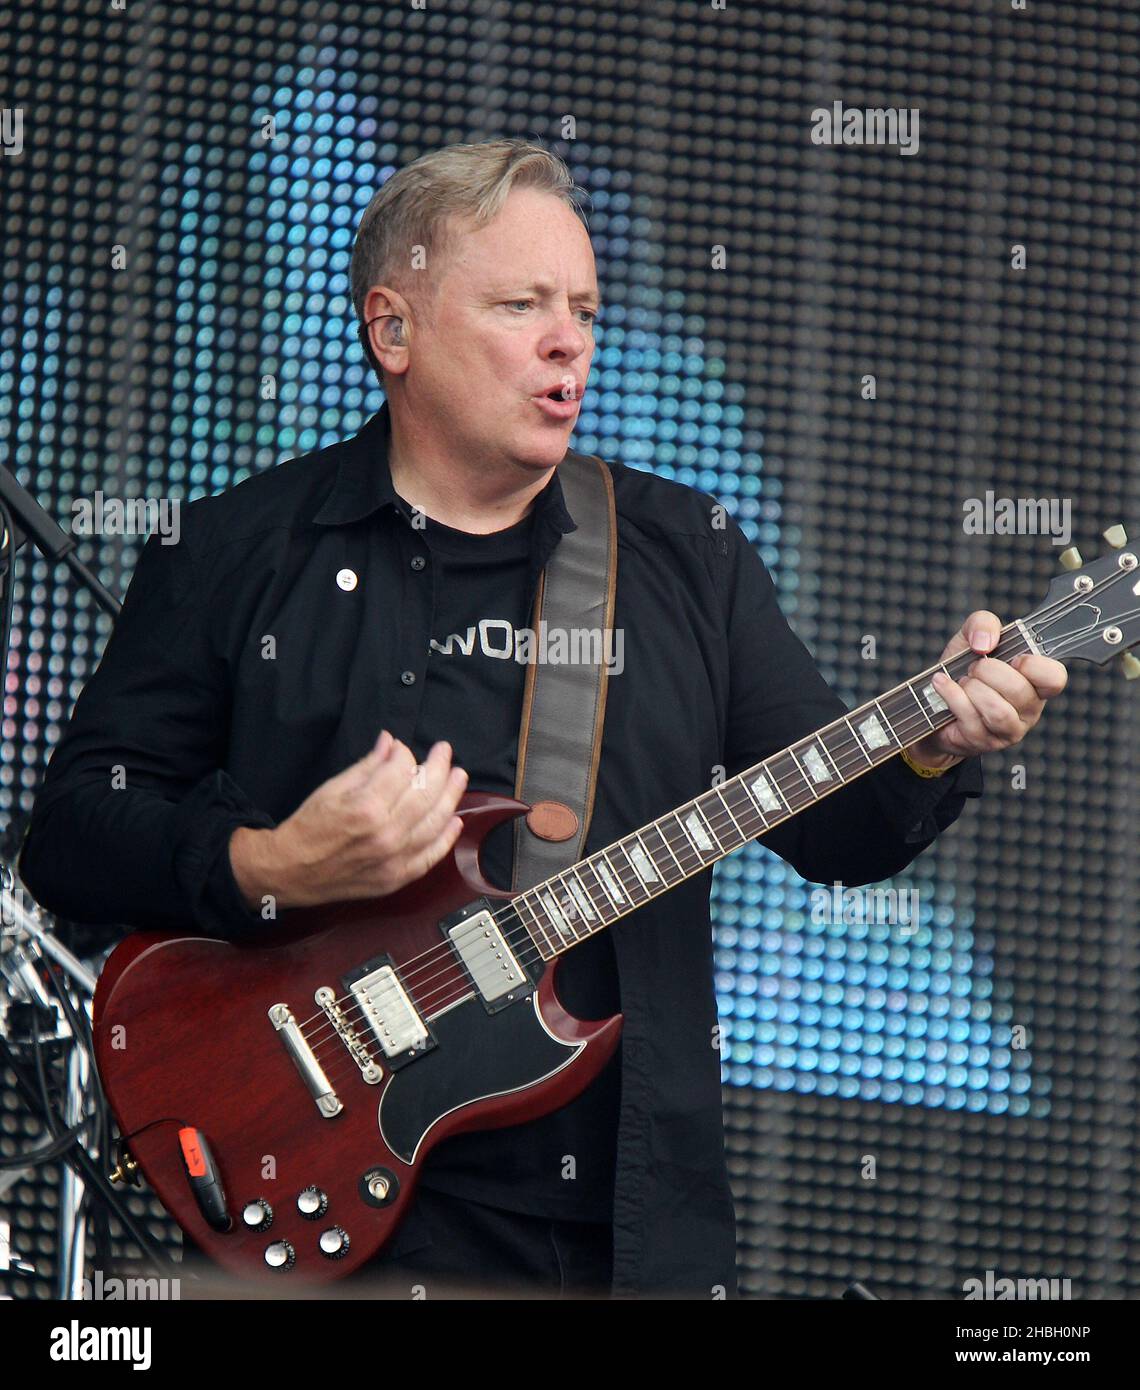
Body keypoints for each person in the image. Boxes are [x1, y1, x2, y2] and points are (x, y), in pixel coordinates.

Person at [17, 138, 1068, 1300]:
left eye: (585, 307)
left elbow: (838, 833)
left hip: (619, 1231)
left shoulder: (684, 556)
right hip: (316, 1208)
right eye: (522, 304)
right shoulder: (236, 552)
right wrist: (267, 862)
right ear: (393, 330)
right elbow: (70, 838)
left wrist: (935, 738)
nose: (572, 339)